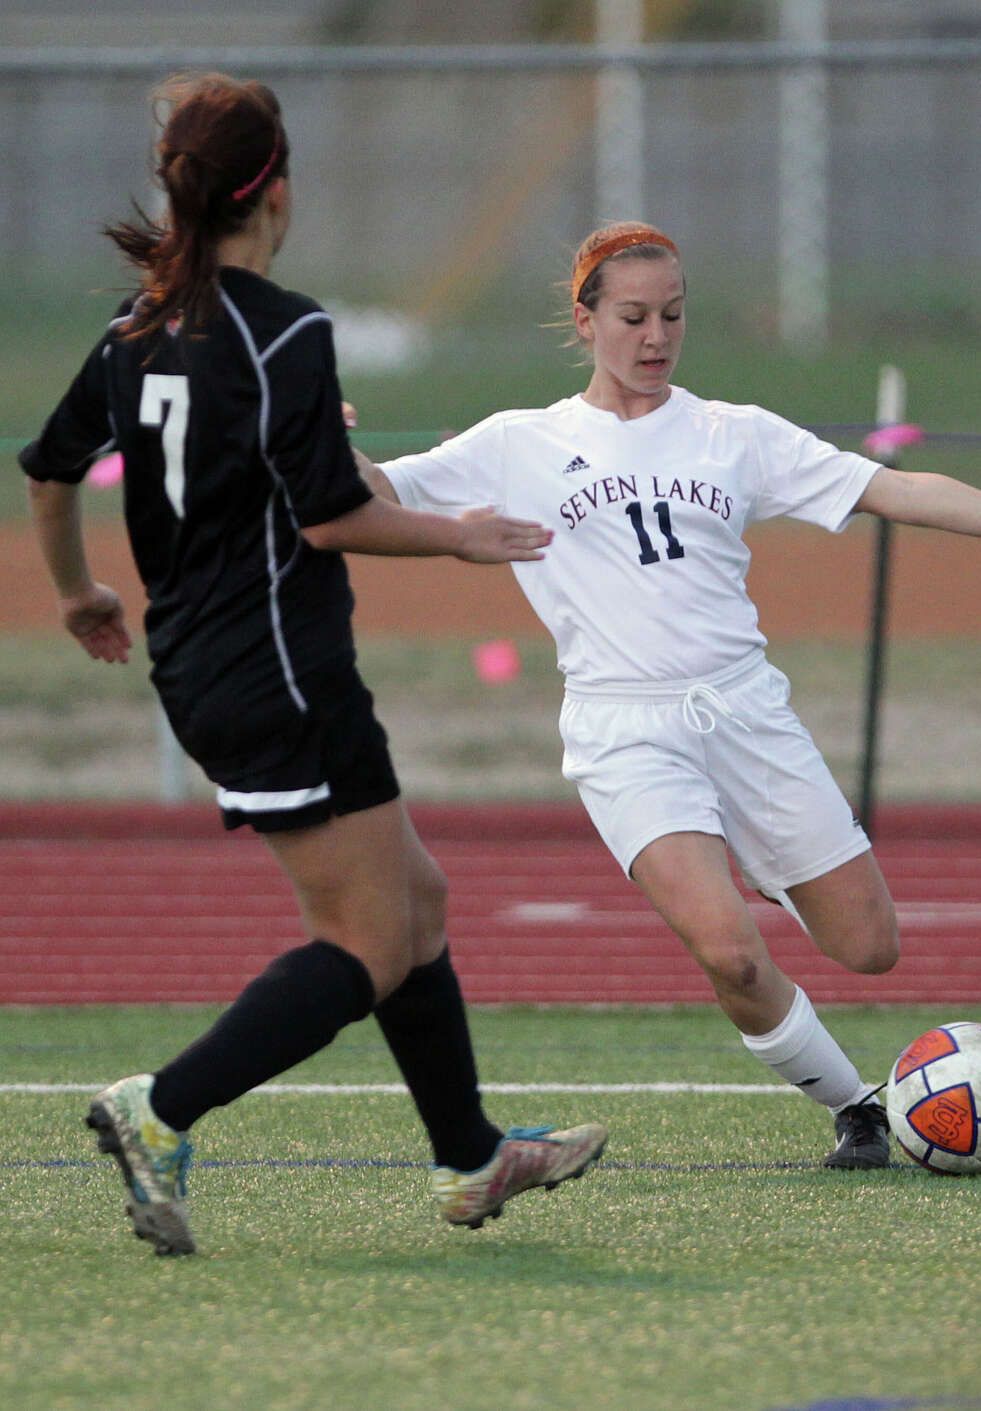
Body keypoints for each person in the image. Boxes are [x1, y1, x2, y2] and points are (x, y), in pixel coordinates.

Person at [363, 220, 981, 1171]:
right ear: (585, 321)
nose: (656, 337)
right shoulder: (517, 443)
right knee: (731, 952)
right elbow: (376, 494)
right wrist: (316, 442)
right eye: (634, 317)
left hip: (745, 712)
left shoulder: (734, 434)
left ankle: (771, 861)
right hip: (623, 731)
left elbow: (899, 492)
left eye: (674, 315)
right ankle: (855, 1106)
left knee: (870, 947)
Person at [18, 73, 606, 1256]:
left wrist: (77, 589)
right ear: (274, 185)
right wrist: (463, 536)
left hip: (204, 667)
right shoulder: (284, 326)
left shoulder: (137, 328)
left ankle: (470, 1156)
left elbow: (49, 464)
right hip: (279, 674)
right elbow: (334, 518)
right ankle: (161, 1108)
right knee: (369, 944)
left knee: (418, 902)